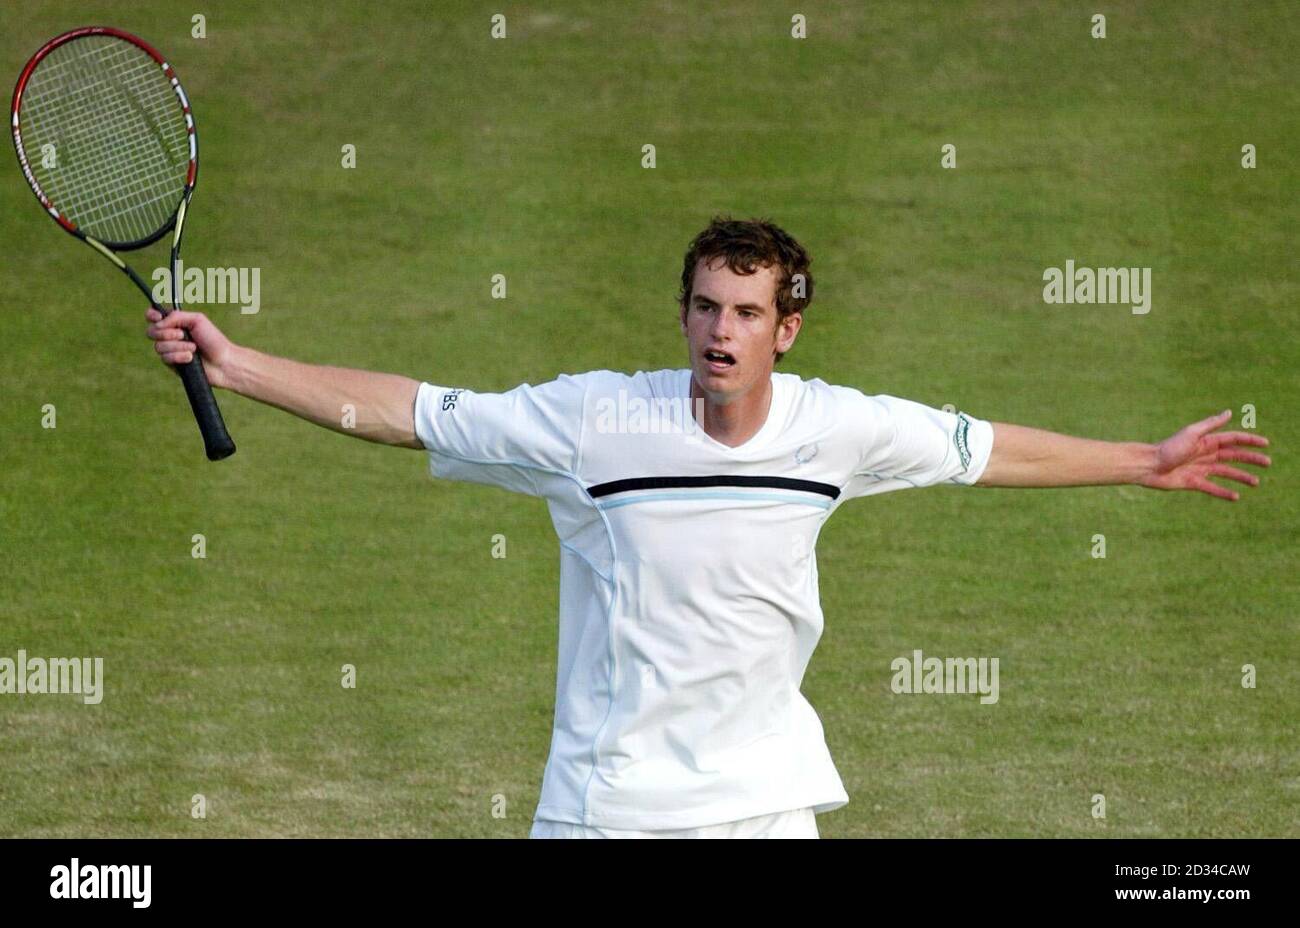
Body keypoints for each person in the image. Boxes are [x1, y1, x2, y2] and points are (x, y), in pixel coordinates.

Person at [145, 216, 1271, 839]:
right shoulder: (593, 422)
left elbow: (983, 451)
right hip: (607, 810)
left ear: (786, 328)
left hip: (764, 807)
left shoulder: (840, 430)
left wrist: (1142, 463)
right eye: (703, 307)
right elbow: (412, 410)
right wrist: (240, 366)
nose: (718, 331)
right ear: (680, 313)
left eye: (745, 312)